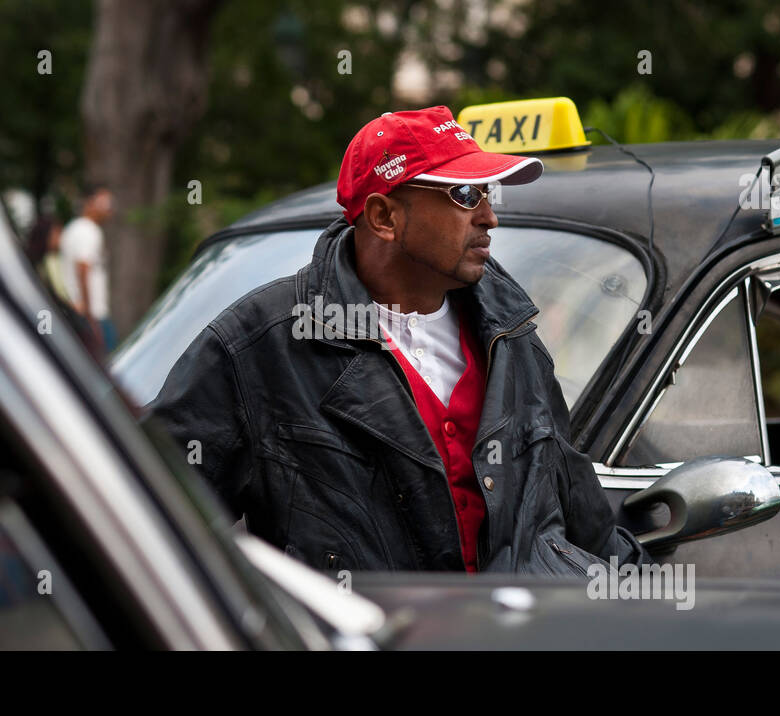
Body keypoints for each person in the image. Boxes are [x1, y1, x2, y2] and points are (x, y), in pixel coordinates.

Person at [146, 106, 649, 575]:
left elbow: (580, 517)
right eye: (465, 195)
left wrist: (654, 605)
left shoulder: (512, 333)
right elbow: (151, 523)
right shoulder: (258, 345)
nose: (490, 217)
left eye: (489, 195)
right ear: (384, 217)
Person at [60, 185, 115, 355]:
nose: (109, 208)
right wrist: (91, 319)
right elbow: (83, 269)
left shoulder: (73, 228)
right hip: (92, 315)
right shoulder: (88, 231)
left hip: (80, 314)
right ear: (90, 203)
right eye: (104, 202)